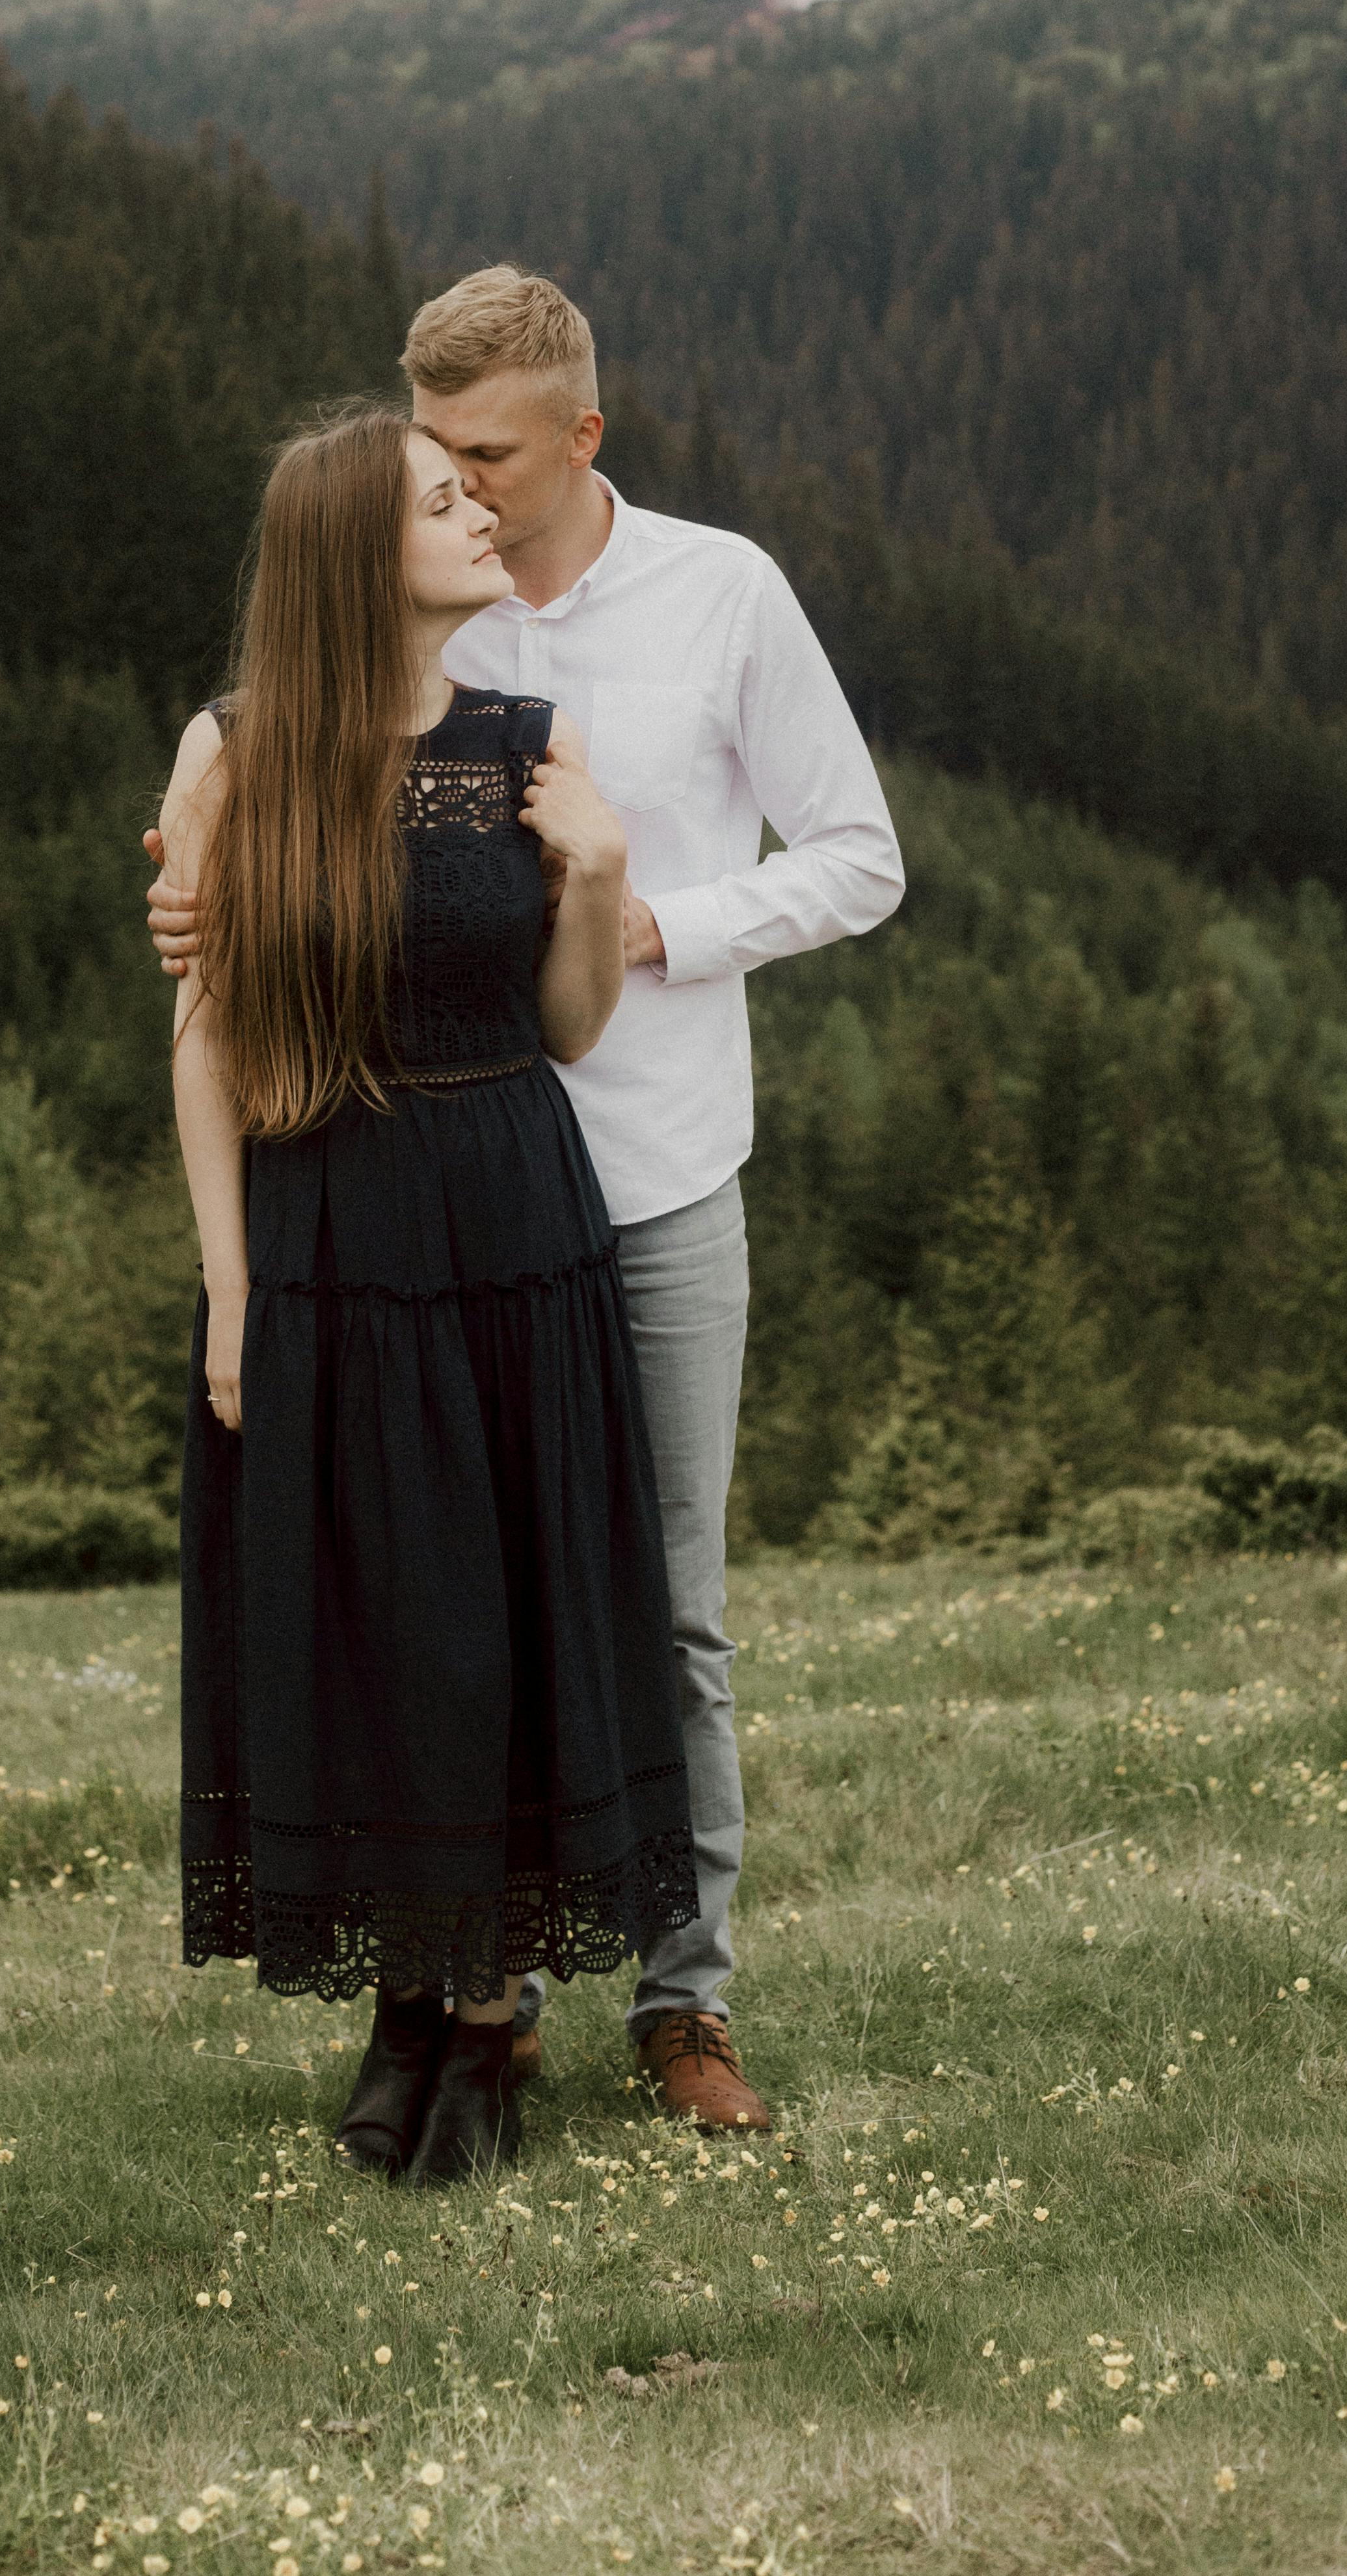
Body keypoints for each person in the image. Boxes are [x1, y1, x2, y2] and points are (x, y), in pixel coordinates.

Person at [150, 269, 906, 2137]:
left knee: (665, 1612)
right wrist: (206, 889)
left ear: (583, 434)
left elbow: (860, 859)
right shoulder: (412, 631)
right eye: (436, 459)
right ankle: (486, 1993)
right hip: (418, 1208)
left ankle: (683, 2002)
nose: (464, 489)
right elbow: (282, 866)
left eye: (486, 456)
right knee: (456, 1606)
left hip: (648, 1177)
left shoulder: (721, 594)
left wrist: (645, 914)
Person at [159, 399, 697, 2184]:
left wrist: (597, 869)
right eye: (435, 498)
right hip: (327, 1226)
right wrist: (230, 1294)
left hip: (513, 1220)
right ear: (347, 553)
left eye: (475, 487)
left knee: (501, 1615)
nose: (477, 512)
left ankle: (482, 2022)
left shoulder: (530, 744)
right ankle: (407, 2009)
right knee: (371, 1614)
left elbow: (567, 1025)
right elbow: (206, 1038)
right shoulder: (235, 752)